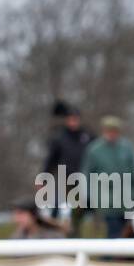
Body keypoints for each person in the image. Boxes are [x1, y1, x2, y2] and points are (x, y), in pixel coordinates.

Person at [42, 101, 93, 236]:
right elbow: (51, 159)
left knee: (81, 209)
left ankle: (76, 234)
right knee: (68, 210)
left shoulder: (87, 136)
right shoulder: (60, 137)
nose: (73, 122)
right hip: (68, 179)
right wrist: (44, 178)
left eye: (75, 119)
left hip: (86, 179)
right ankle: (69, 236)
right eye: (70, 119)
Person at [81, 116, 134, 238]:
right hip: (106, 199)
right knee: (112, 232)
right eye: (109, 131)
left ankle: (123, 255)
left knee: (129, 232)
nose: (112, 134)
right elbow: (87, 174)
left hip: (127, 198)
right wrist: (89, 197)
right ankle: (110, 256)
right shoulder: (94, 150)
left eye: (114, 131)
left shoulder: (126, 148)